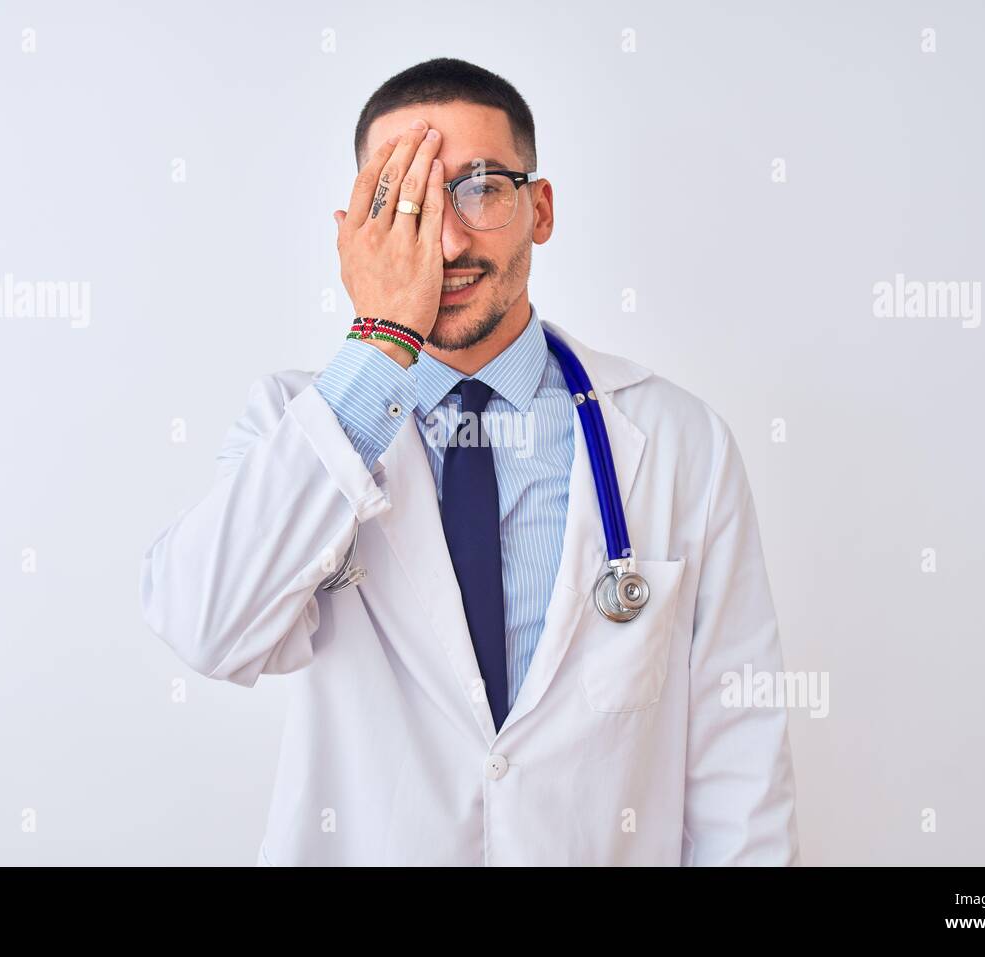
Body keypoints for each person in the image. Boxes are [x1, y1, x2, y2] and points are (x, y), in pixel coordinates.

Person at [139, 57, 800, 866]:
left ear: (541, 208)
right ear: (354, 232)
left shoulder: (677, 441)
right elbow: (206, 626)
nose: (444, 240)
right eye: (402, 202)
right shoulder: (297, 424)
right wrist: (380, 344)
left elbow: (742, 781)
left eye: (479, 187)